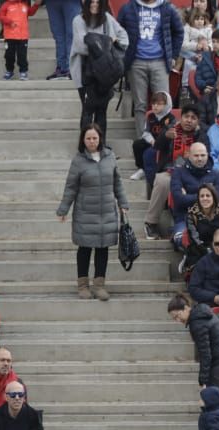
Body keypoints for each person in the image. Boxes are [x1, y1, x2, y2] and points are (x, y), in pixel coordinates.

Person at [56, 123, 128, 301]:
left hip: (106, 212)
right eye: (88, 138)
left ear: (100, 138)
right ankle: (83, 285)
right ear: (83, 140)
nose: (91, 141)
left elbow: (117, 182)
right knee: (85, 248)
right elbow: (71, 186)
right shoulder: (79, 160)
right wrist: (64, 208)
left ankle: (99, 285)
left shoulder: (110, 157)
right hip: (85, 212)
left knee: (103, 249)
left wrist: (123, 202)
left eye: (94, 138)